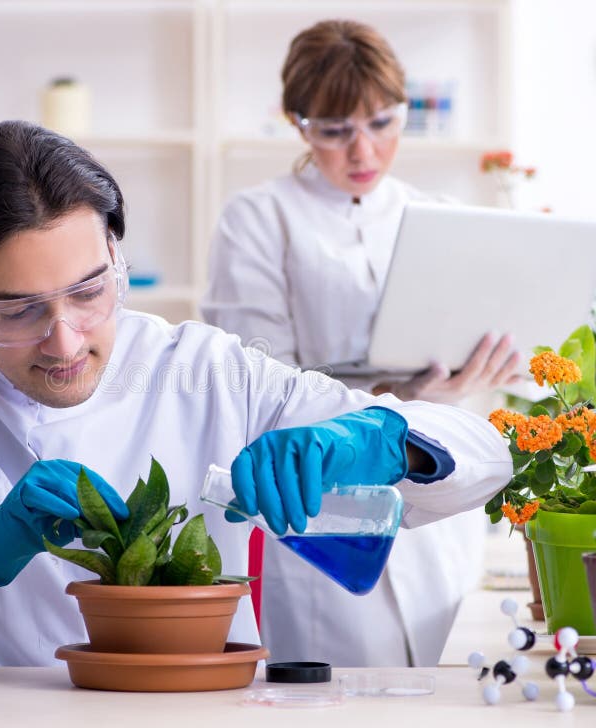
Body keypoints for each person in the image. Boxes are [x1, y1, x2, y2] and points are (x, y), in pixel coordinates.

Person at [0, 120, 510, 667]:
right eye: (18, 312)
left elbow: (486, 460)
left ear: (116, 260)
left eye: (89, 291)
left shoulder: (199, 369)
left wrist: (382, 441)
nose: (66, 340)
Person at [201, 20, 522, 667]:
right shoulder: (258, 218)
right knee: (347, 697)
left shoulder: (438, 214)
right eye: (335, 130)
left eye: (382, 123)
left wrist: (476, 376)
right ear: (298, 124)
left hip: (436, 511)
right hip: (328, 515)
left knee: (451, 691)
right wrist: (400, 398)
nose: (363, 150)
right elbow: (255, 381)